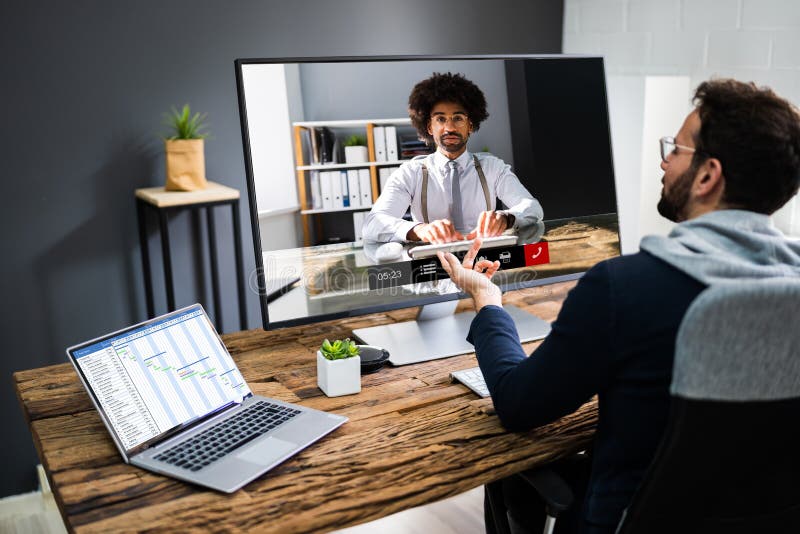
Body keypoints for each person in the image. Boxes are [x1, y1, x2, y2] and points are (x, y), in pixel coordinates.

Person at [437, 79, 800, 533]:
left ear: (707, 176)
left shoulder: (626, 288)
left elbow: (516, 403)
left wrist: (489, 303)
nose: (664, 161)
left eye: (677, 148)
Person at [362, 72, 543, 243]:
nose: (449, 127)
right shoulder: (410, 173)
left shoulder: (493, 168)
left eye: (457, 118)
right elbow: (373, 223)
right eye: (440, 119)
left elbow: (533, 208)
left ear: (470, 125)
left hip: (485, 261)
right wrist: (420, 230)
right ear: (429, 127)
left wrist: (507, 218)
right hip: (433, 264)